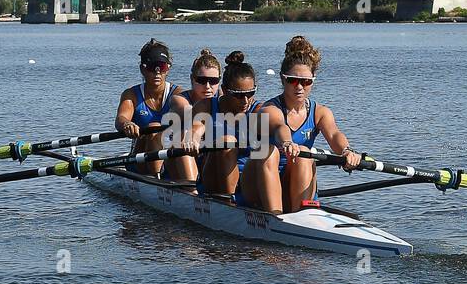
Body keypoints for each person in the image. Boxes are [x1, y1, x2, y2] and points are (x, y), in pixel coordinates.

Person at [249, 35, 361, 213]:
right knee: (270, 152)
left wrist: (347, 151)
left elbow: (334, 135)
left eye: (306, 81)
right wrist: (287, 143)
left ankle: (301, 216)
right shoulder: (268, 109)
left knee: (304, 154)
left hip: (293, 181)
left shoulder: (320, 112)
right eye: (293, 80)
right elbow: (280, 127)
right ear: (282, 79)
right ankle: (275, 215)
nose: (299, 87)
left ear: (313, 81)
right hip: (257, 186)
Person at [183, 51, 261, 201]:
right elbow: (197, 126)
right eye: (238, 95)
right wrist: (193, 138)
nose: (245, 101)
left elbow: (276, 126)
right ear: (224, 90)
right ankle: (229, 204)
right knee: (227, 140)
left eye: (250, 93)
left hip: (248, 179)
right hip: (213, 178)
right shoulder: (206, 105)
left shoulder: (258, 109)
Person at [115, 38, 184, 177]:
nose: (158, 72)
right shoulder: (131, 95)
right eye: (153, 67)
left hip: (169, 158)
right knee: (153, 128)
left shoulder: (178, 94)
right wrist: (126, 124)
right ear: (142, 69)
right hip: (139, 160)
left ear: (168, 69)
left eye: (162, 67)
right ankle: (156, 179)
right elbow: (121, 119)